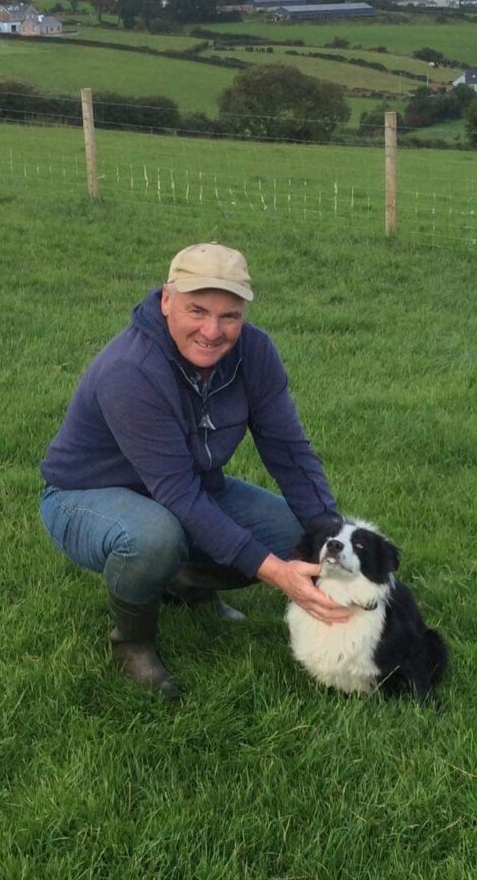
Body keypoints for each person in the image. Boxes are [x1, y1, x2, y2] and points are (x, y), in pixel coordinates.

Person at [39, 242, 351, 700]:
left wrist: (334, 541)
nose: (213, 330)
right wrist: (275, 574)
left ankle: (186, 583)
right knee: (154, 537)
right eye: (197, 310)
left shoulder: (256, 354)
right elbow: (178, 495)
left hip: (191, 488)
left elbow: (289, 451)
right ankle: (133, 642)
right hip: (85, 496)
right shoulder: (131, 370)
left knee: (294, 537)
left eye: (230, 316)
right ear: (167, 300)